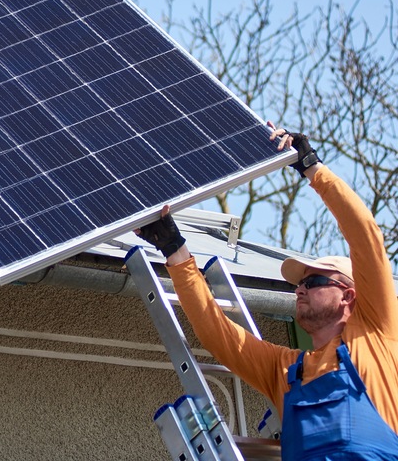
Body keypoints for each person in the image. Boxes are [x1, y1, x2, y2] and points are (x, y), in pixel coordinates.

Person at [138, 128, 398, 460]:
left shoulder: (376, 334)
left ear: (348, 297)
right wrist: (175, 253)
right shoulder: (285, 370)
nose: (300, 289)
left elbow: (366, 236)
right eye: (299, 284)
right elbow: (217, 334)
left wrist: (313, 169)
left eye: (314, 282)